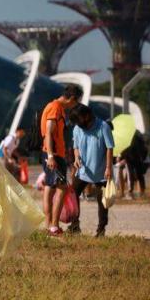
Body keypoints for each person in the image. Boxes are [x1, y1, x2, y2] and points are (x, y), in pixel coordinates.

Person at [40, 84, 83, 237]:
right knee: (61, 188)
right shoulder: (55, 108)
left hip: (52, 153)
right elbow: (49, 133)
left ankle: (49, 225)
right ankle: (53, 226)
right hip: (53, 154)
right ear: (72, 99)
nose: (75, 106)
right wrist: (51, 155)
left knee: (50, 187)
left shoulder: (56, 107)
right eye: (76, 103)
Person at [68, 104, 114, 237]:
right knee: (73, 194)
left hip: (101, 172)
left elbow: (109, 148)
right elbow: (75, 146)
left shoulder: (103, 126)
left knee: (102, 202)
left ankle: (101, 230)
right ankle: (74, 225)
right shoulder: (77, 128)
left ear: (86, 115)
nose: (77, 124)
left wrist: (108, 168)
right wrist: (76, 158)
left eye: (78, 120)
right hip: (83, 170)